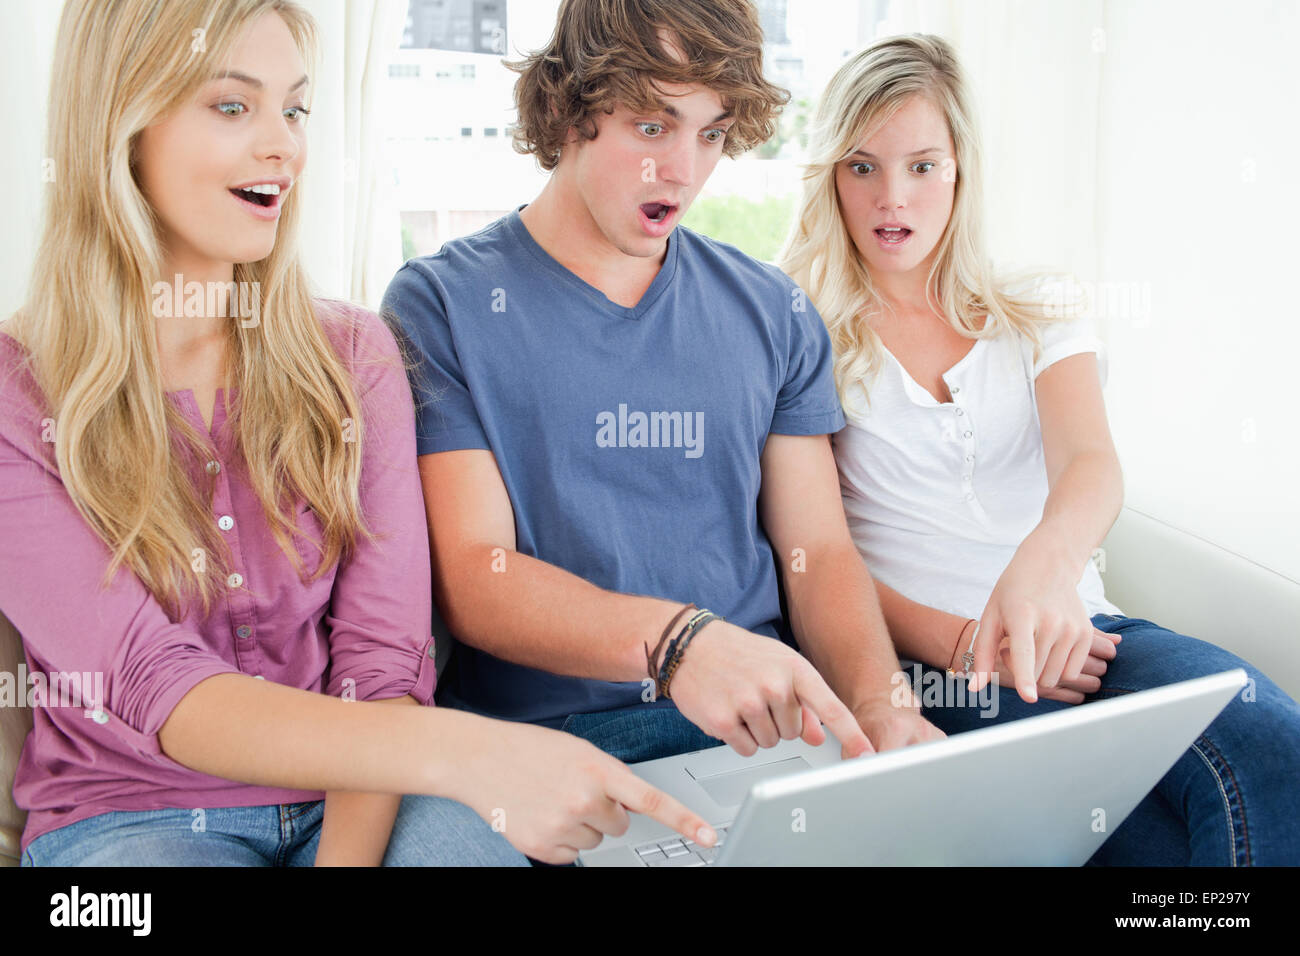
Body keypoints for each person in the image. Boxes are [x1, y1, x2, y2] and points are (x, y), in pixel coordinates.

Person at [0, 0, 715, 868]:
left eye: (295, 110)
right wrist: (472, 752)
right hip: (128, 819)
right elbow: (164, 689)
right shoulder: (18, 390)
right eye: (234, 107)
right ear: (121, 122)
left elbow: (382, 667)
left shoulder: (353, 354)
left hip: (364, 800)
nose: (286, 148)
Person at [382, 0, 945, 773]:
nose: (681, 170)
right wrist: (679, 644)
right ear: (565, 108)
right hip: (564, 750)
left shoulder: (771, 311)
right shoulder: (441, 303)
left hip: (770, 738)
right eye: (653, 125)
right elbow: (477, 577)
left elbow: (817, 547)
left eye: (710, 133)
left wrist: (881, 707)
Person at [778, 33, 1300, 865]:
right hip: (937, 670)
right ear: (829, 174)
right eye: (862, 166)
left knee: (1277, 752)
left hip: (1088, 633)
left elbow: (1090, 464)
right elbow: (812, 554)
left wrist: (1046, 569)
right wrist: (967, 642)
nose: (893, 200)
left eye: (923, 165)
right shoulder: (799, 334)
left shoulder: (1037, 304)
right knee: (1159, 852)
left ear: (961, 170)